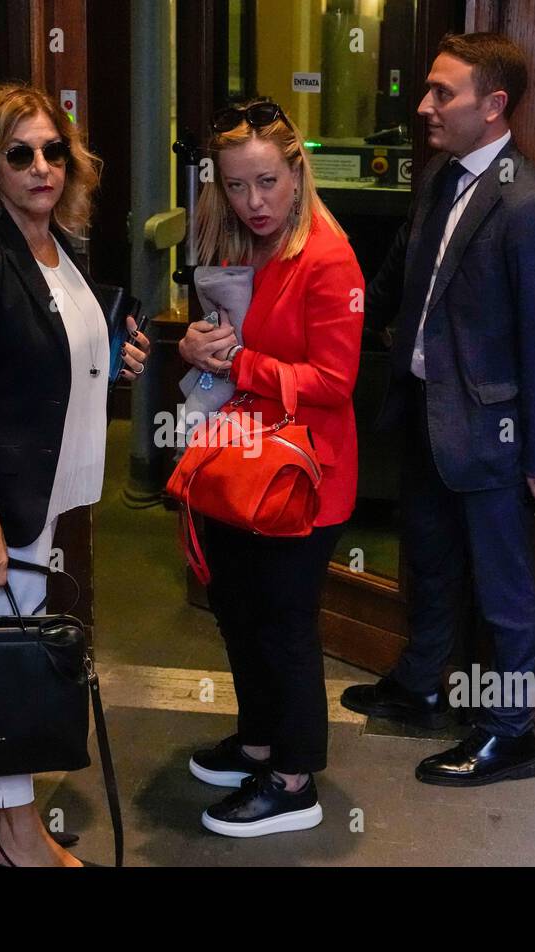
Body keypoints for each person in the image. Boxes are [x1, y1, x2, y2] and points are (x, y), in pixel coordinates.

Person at [343, 32, 535, 786]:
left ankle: (511, 735)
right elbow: (398, 284)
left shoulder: (528, 207)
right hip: (425, 417)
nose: (424, 107)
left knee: (504, 591)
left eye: (443, 94)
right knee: (431, 568)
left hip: (491, 434)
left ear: (494, 105)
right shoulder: (444, 177)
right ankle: (419, 688)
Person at [0, 83, 149, 866]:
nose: (42, 167)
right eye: (20, 154)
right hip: (12, 495)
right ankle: (18, 833)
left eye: (54, 150)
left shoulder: (64, 245)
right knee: (11, 660)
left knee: (8, 645)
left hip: (56, 482)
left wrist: (110, 356)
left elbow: (61, 354)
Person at [178, 99, 364, 837]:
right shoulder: (236, 240)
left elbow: (336, 381)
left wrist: (241, 364)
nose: (252, 202)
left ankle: (293, 779)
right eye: (234, 185)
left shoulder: (327, 255)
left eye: (266, 183)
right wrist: (196, 346)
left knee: (284, 624)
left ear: (296, 172)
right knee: (238, 610)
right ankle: (257, 740)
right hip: (240, 458)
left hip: (304, 475)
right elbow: (222, 339)